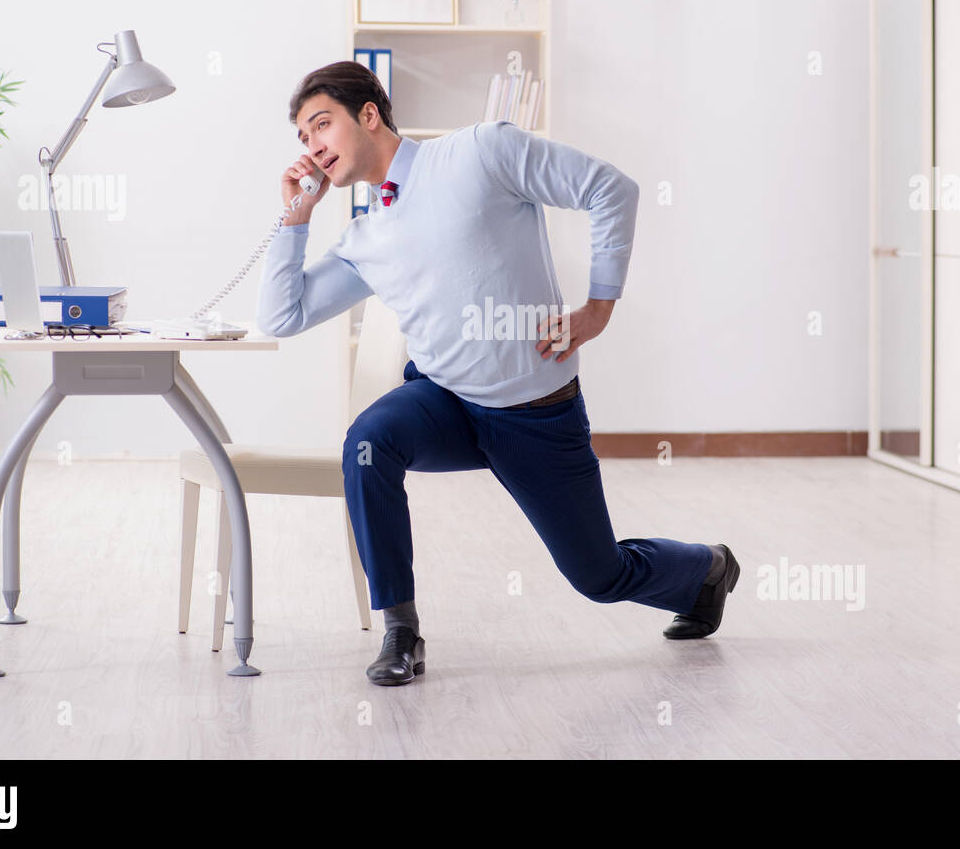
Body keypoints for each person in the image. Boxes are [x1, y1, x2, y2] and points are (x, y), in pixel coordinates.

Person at [256, 61, 739, 686]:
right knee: (369, 444)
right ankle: (400, 630)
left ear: (368, 114)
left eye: (321, 125)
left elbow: (610, 188)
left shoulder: (480, 152)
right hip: (443, 403)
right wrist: (295, 219)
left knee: (599, 576)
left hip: (536, 414)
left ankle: (705, 571)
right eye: (302, 138)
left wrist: (599, 306)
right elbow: (281, 314)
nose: (313, 146)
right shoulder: (365, 236)